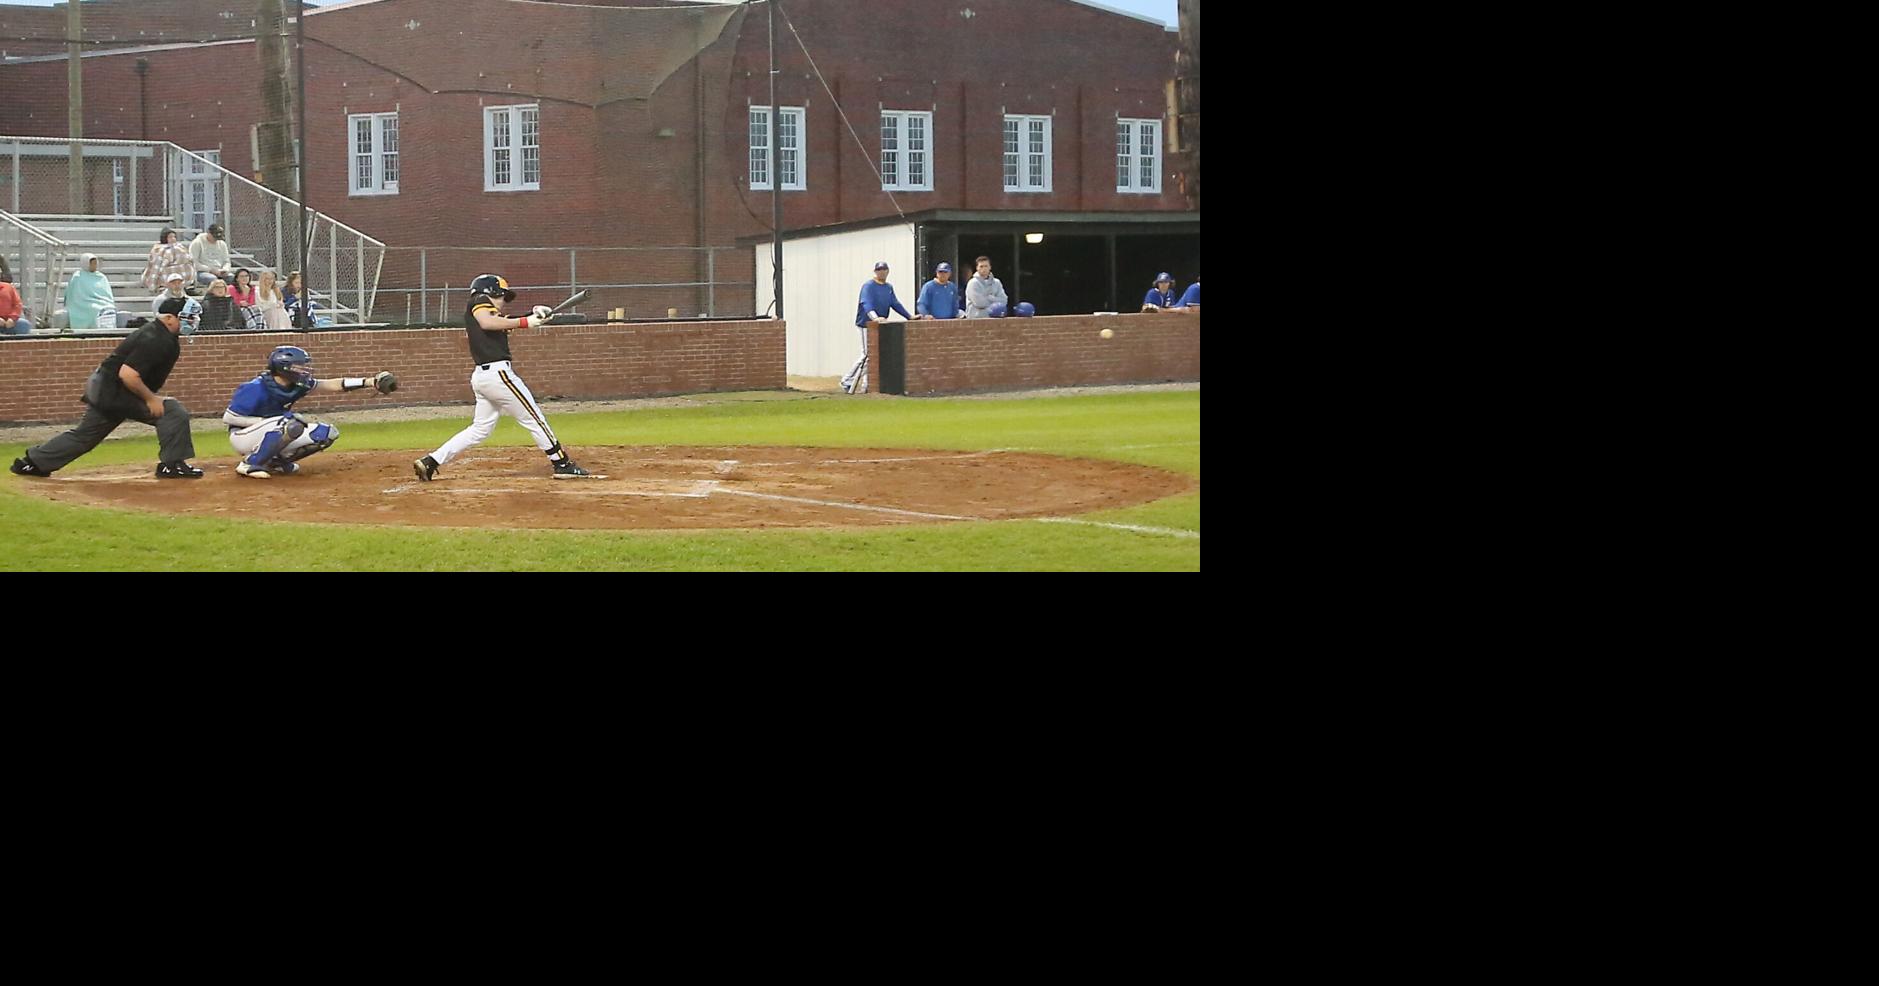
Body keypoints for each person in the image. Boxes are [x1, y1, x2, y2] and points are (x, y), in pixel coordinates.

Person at [411, 273, 595, 482]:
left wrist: (535, 315)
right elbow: (488, 322)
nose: (502, 303)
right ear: (490, 293)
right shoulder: (479, 301)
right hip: (498, 376)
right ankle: (562, 464)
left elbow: (502, 323)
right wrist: (526, 321)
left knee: (480, 429)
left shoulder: (487, 312)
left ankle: (431, 461)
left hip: (484, 377)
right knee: (534, 418)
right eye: (501, 297)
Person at [10, 296, 205, 480]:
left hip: (107, 388)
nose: (193, 321)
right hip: (113, 391)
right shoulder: (156, 338)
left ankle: (32, 463)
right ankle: (172, 465)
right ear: (169, 318)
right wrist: (150, 399)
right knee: (172, 412)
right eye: (187, 317)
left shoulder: (163, 335)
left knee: (85, 436)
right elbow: (128, 374)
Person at [224, 346, 396, 478]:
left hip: (272, 428)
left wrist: (369, 382)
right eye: (299, 366)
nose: (303, 370)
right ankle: (249, 464)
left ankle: (274, 462)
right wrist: (267, 422)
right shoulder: (255, 387)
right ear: (285, 367)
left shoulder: (296, 385)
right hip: (242, 436)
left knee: (325, 433)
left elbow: (332, 384)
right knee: (290, 422)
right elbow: (230, 417)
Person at [842, 260, 920, 395]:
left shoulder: (888, 287)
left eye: (884, 270)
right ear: (875, 272)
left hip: (881, 325)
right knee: (867, 354)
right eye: (879, 270)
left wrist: (909, 316)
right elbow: (866, 303)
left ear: (888, 271)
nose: (882, 272)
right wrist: (874, 317)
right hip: (866, 324)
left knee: (875, 355)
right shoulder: (868, 286)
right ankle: (847, 380)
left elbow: (895, 303)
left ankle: (866, 384)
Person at [65, 253, 119, 331]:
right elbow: (73, 295)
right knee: (95, 309)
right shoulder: (77, 277)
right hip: (84, 304)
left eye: (95, 263)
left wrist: (107, 303)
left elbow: (107, 295)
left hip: (103, 302)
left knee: (109, 308)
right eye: (92, 263)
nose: (94, 265)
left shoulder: (101, 277)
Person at [188, 223, 232, 287]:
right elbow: (194, 263)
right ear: (208, 233)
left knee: (234, 279)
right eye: (214, 237)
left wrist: (225, 269)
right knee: (213, 279)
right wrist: (210, 270)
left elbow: (227, 261)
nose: (216, 239)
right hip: (201, 272)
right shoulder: (197, 243)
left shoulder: (222, 244)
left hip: (219, 270)